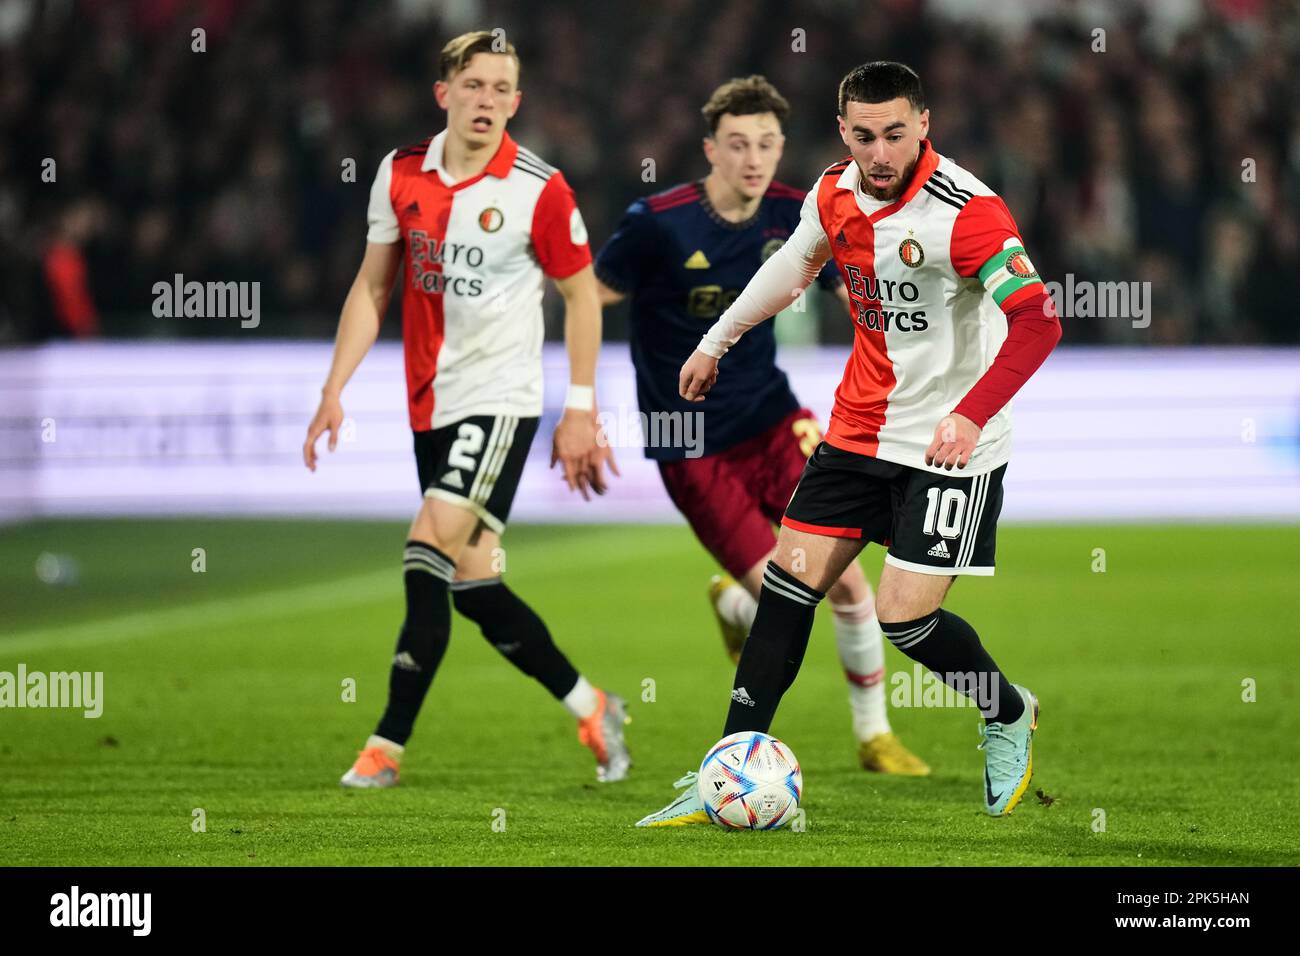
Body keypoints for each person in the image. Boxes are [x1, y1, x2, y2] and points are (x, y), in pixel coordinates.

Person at [638, 61, 1062, 825]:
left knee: (905, 619)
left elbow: (1038, 321)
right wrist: (716, 342)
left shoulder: (969, 212)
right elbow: (791, 268)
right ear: (843, 132)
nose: (879, 153)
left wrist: (968, 416)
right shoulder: (832, 192)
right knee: (785, 590)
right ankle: (726, 774)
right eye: (864, 136)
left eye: (895, 133)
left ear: (923, 125)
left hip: (949, 447)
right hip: (858, 432)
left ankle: (1005, 710)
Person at [304, 31, 628, 788]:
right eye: (474, 85)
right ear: (443, 93)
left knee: (425, 550)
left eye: (502, 89)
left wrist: (579, 408)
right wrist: (333, 388)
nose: (488, 101)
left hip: (503, 400)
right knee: (474, 585)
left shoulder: (540, 189)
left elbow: (582, 297)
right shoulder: (398, 173)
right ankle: (594, 705)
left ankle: (385, 747)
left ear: (517, 102)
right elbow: (373, 288)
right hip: (430, 403)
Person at [594, 75, 928, 777]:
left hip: (775, 420)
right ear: (710, 149)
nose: (754, 159)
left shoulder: (795, 210)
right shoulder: (656, 221)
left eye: (768, 144)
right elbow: (586, 298)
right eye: (738, 144)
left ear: (782, 149)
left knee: (847, 583)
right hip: (690, 446)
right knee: (786, 600)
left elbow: (859, 294)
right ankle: (740, 616)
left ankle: (875, 737)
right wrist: (581, 406)